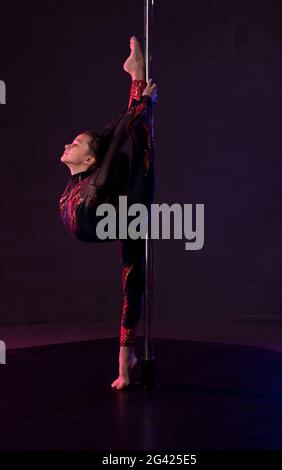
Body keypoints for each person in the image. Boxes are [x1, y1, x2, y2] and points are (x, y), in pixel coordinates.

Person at [59, 36, 158, 390]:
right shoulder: (87, 173)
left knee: (138, 146)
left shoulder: (94, 178)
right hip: (102, 213)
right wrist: (137, 96)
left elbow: (112, 142)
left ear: (87, 161)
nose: (67, 144)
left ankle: (125, 362)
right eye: (72, 143)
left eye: (75, 144)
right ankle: (137, 78)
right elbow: (105, 139)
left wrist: (142, 103)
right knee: (116, 138)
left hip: (126, 215)